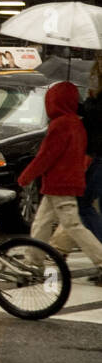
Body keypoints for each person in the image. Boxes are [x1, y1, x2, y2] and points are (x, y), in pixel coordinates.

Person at [19, 81, 102, 284]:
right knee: (42, 223)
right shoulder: (77, 123)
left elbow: (46, 156)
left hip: (60, 183)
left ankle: (100, 260)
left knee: (72, 225)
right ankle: (33, 262)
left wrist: (26, 176)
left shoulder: (60, 125)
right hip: (66, 181)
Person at [79, 85, 102, 244]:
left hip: (99, 156)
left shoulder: (95, 105)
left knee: (84, 204)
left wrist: (88, 102)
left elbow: (95, 117)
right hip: (97, 155)